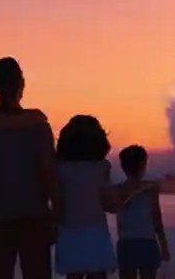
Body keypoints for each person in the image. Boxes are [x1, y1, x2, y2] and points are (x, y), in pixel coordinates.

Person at [0, 57, 59, 279]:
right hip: (33, 217)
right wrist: (57, 212)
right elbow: (48, 170)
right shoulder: (39, 126)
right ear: (22, 83)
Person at [54, 115, 116, 279]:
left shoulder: (60, 169)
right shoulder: (102, 168)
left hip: (69, 230)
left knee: (73, 274)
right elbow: (109, 203)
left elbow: (57, 202)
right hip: (96, 231)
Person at [115, 145, 170, 279]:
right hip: (146, 242)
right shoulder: (149, 190)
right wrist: (163, 243)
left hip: (127, 242)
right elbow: (156, 217)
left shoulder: (118, 190)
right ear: (143, 165)